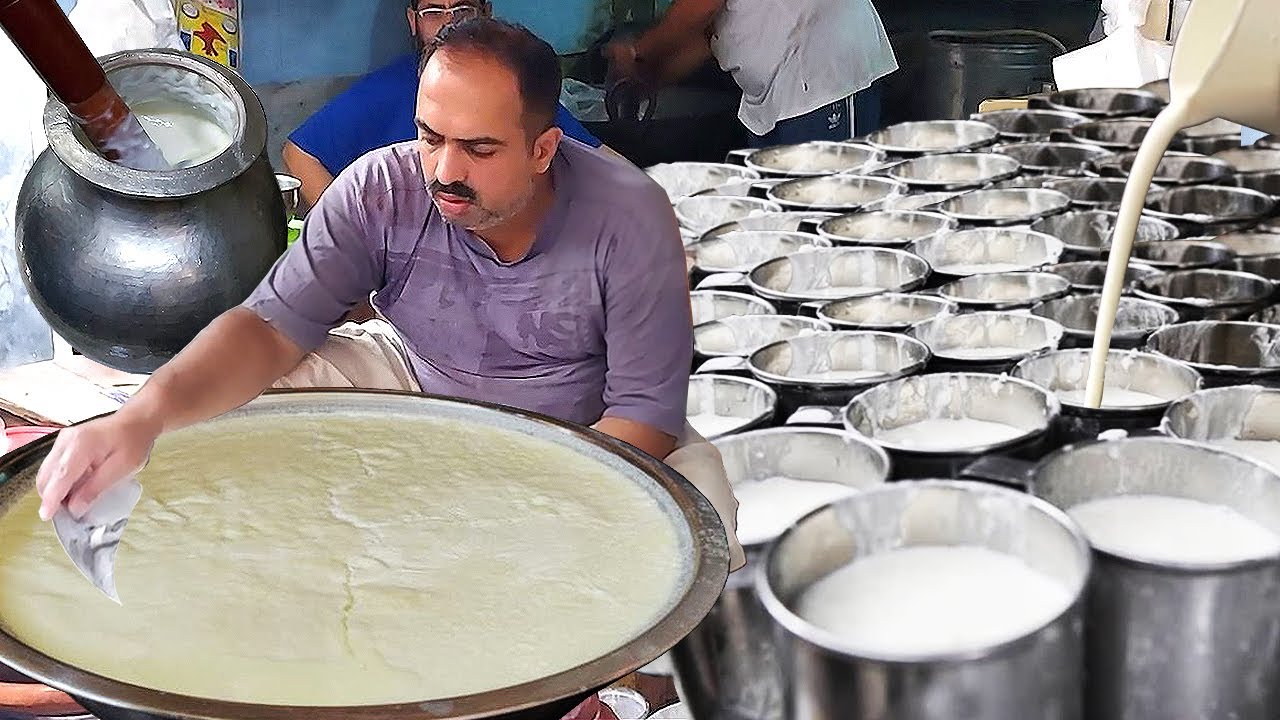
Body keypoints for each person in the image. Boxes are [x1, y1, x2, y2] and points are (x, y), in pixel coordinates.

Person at [36, 18, 743, 573]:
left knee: (696, 520)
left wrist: (496, 501)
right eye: (430, 137)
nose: (445, 171)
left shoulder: (630, 218)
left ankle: (619, 694)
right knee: (264, 384)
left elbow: (643, 420)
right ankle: (233, 554)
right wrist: (143, 418)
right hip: (420, 376)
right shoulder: (380, 187)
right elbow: (265, 331)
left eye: (480, 149)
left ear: (544, 148)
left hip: (581, 430)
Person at [283, 0, 604, 211]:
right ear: (413, 21)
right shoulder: (390, 89)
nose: (450, 24)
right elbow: (299, 152)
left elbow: (604, 165)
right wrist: (346, 238)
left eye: (462, 9)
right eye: (433, 11)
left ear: (486, 12)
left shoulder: (511, 87)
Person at [605, 0, 899, 146]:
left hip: (823, 73)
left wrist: (638, 53)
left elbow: (699, 8)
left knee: (827, 205)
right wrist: (649, 79)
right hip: (781, 87)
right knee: (784, 210)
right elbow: (707, 36)